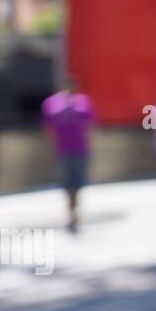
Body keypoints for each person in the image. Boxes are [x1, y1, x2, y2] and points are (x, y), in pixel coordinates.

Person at [41, 76, 96, 232]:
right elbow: (48, 127)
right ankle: (72, 211)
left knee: (78, 183)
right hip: (63, 150)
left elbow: (90, 124)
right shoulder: (51, 103)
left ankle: (74, 209)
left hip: (81, 149)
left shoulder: (84, 101)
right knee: (67, 183)